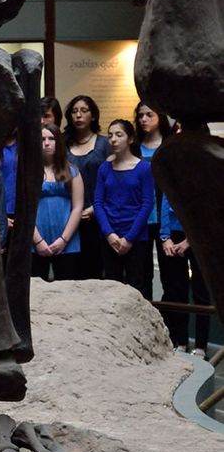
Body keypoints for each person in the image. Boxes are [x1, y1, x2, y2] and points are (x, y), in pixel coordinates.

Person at [94, 119, 154, 293]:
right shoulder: (104, 168)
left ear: (130, 139)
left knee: (136, 286)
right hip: (109, 236)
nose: (113, 139)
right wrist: (109, 234)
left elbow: (147, 204)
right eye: (110, 135)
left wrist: (129, 238)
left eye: (119, 135)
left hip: (135, 237)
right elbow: (98, 203)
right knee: (111, 287)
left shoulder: (144, 168)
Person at [159, 193, 211, 358]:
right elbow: (165, 201)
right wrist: (165, 237)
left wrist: (190, 240)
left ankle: (201, 347)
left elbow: (207, 208)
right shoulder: (173, 171)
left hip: (199, 235)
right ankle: (182, 342)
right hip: (173, 234)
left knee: (201, 293)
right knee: (177, 292)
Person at [63, 95, 110, 280]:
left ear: (93, 115)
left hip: (97, 215)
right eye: (74, 112)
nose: (78, 115)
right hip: (67, 216)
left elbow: (111, 181)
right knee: (69, 272)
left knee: (94, 270)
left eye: (84, 111)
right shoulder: (62, 143)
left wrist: (93, 209)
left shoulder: (105, 144)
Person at [31, 124, 84, 281]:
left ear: (58, 142)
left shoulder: (72, 171)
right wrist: (38, 241)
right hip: (36, 241)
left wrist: (63, 240)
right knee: (36, 291)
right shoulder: (28, 172)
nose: (47, 143)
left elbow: (78, 207)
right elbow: (24, 210)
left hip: (67, 241)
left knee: (67, 289)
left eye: (51, 139)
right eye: (42, 139)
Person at [134, 100, 172, 300]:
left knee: (171, 276)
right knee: (142, 274)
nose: (143, 119)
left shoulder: (170, 146)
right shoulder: (134, 149)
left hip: (167, 219)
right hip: (140, 218)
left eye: (149, 114)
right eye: (140, 115)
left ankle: (173, 328)